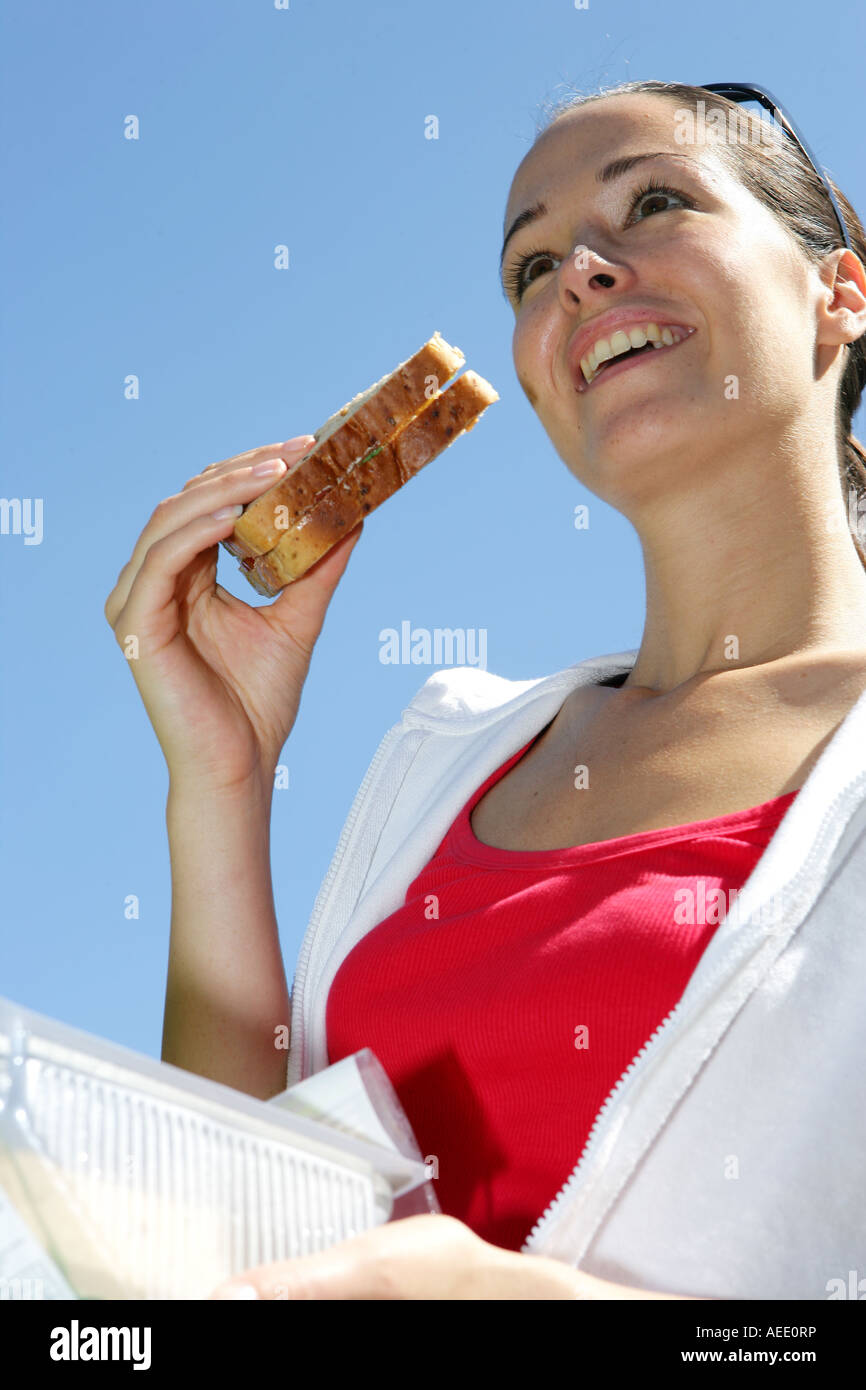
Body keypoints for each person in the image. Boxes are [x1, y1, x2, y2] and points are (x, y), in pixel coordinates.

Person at [104, 80, 866, 1300]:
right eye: (530, 265)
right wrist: (221, 782)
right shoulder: (446, 748)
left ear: (838, 290)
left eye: (653, 202)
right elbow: (226, 1224)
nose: (580, 270)